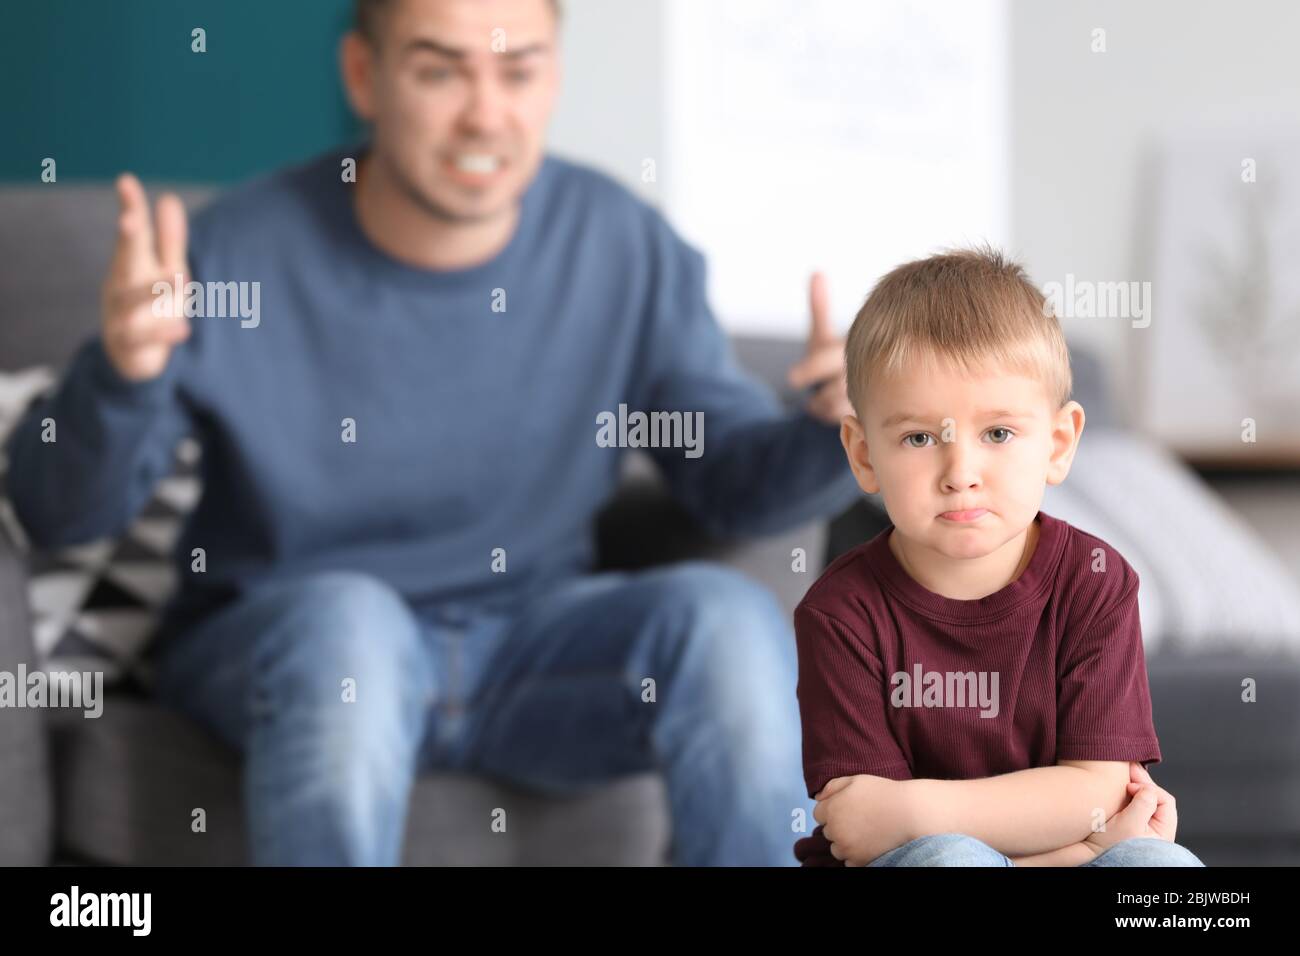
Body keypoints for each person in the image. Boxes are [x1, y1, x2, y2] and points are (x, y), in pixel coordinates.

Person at [3, 0, 862, 865]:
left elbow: (732, 478)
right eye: (440, 69)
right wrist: (121, 376)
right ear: (364, 78)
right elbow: (57, 513)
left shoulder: (620, 243)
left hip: (528, 655)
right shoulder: (232, 252)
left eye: (518, 70)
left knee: (728, 622)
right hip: (288, 649)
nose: (486, 112)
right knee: (354, 626)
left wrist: (838, 429)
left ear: (554, 77)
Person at [792, 246, 1204, 867]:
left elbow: (1097, 792)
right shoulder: (839, 613)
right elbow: (864, 836)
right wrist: (1085, 842)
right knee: (951, 859)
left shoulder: (1095, 582)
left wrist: (912, 811)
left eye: (998, 433)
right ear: (864, 454)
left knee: (1160, 867)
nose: (961, 473)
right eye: (920, 437)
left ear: (1058, 444)